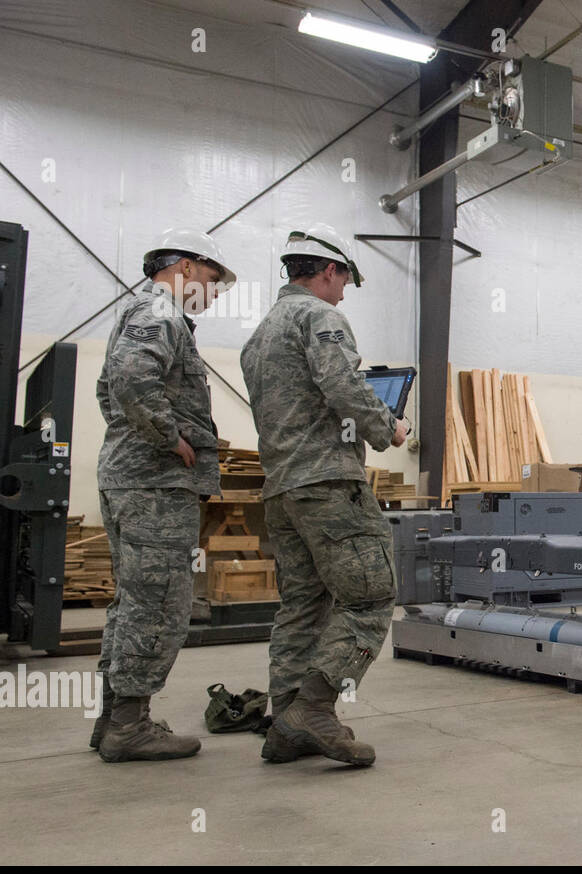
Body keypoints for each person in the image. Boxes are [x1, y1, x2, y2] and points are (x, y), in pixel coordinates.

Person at [241, 224, 407, 766]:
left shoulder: (261, 333)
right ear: (329, 270)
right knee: (371, 595)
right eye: (345, 281)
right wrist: (389, 427)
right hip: (329, 484)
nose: (344, 293)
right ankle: (314, 709)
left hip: (282, 489)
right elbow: (343, 387)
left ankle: (287, 722)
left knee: (302, 605)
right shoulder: (321, 317)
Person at [94, 229, 236, 761]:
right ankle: (129, 727)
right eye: (213, 279)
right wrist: (168, 436)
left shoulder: (144, 314)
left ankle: (112, 720)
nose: (216, 291)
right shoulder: (161, 312)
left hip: (132, 477)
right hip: (153, 483)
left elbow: (111, 388)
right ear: (187, 267)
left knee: (133, 599)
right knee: (158, 604)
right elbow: (130, 377)